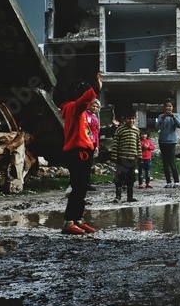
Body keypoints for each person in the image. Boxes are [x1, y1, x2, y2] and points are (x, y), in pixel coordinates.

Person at [59, 75, 102, 235]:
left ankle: (78, 220)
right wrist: (96, 89)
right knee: (77, 188)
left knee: (82, 188)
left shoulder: (81, 111)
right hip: (76, 152)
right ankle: (69, 222)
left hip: (85, 151)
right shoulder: (72, 107)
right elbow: (84, 101)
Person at [111, 113, 142, 203]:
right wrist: (114, 157)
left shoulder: (136, 131)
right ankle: (118, 197)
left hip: (132, 159)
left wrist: (140, 157)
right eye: (129, 118)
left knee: (130, 178)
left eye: (133, 118)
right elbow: (115, 144)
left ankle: (130, 197)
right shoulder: (120, 130)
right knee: (119, 177)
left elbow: (138, 145)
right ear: (124, 119)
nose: (131, 121)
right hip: (121, 157)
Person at [155, 100, 180, 188]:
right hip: (162, 141)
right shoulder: (160, 116)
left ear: (172, 108)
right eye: (167, 106)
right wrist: (163, 118)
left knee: (172, 162)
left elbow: (179, 126)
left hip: (172, 141)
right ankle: (168, 182)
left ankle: (177, 181)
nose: (168, 108)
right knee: (165, 162)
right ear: (164, 108)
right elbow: (158, 127)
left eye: (170, 106)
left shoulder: (176, 115)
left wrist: (173, 117)